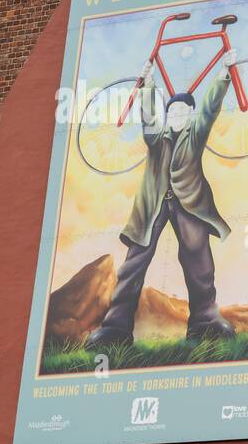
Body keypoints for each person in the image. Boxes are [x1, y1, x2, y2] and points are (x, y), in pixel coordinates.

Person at [86, 49, 238, 349]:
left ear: (189, 116)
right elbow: (149, 120)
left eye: (183, 112)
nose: (177, 116)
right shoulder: (158, 138)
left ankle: (205, 322)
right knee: (133, 265)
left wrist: (224, 75)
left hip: (189, 203)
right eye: (173, 112)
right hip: (154, 204)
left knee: (199, 261)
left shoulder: (195, 135)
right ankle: (116, 328)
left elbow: (208, 110)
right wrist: (148, 86)